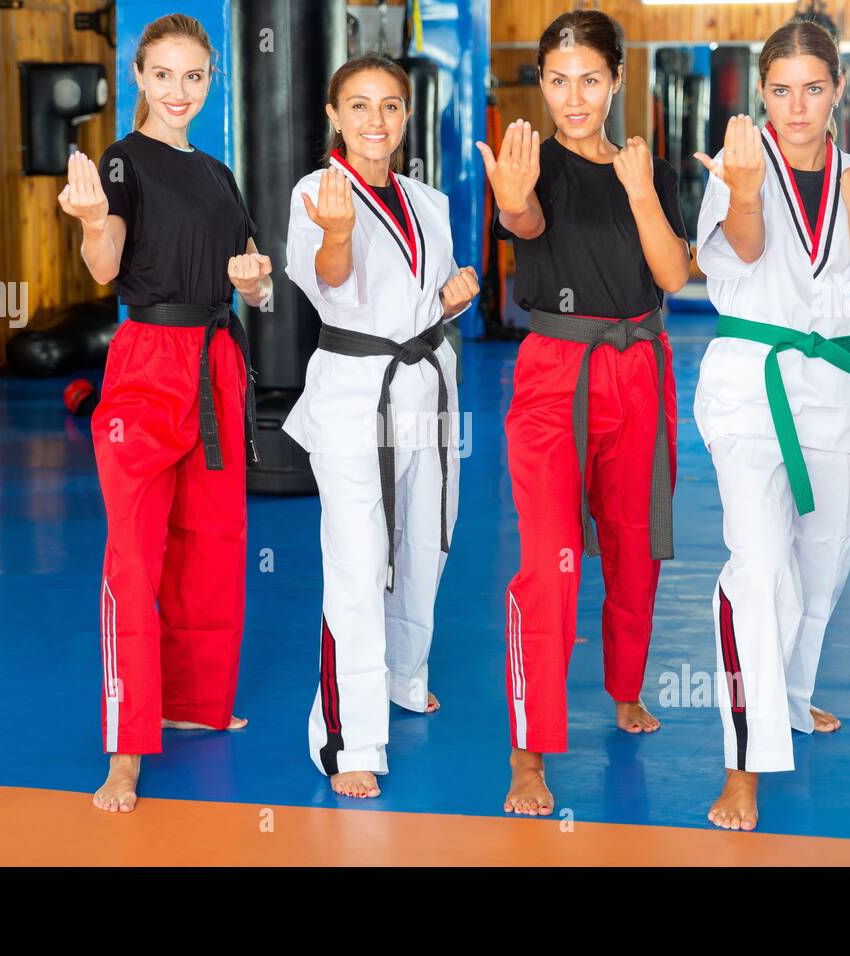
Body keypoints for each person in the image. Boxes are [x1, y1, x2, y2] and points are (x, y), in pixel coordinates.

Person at [691, 17, 850, 830]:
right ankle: (744, 763)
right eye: (781, 90)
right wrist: (746, 191)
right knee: (760, 570)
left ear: (838, 91)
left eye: (813, 88)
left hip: (839, 396)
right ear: (760, 93)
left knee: (819, 577)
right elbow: (741, 253)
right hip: (750, 391)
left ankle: (788, 696)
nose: (796, 107)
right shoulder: (738, 165)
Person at [58, 13, 273, 813]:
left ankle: (193, 701)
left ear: (211, 80)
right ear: (139, 76)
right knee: (135, 557)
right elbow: (108, 263)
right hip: (148, 361)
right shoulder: (121, 162)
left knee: (211, 544)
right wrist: (87, 223)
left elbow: (252, 281)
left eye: (194, 76)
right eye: (163, 75)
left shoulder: (219, 174)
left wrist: (255, 285)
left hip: (218, 360)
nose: (178, 91)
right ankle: (125, 747)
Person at [479, 9, 690, 816]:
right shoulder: (528, 167)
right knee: (550, 561)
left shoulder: (652, 172)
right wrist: (513, 202)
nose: (574, 98)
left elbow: (673, 276)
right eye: (558, 81)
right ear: (541, 82)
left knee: (636, 551)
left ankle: (626, 688)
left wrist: (639, 192)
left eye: (590, 80)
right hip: (552, 376)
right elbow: (523, 222)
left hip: (638, 367)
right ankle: (528, 753)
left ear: (616, 81)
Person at [284, 54, 479, 799]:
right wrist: (336, 231)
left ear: (405, 115)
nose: (375, 120)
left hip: (426, 383)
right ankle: (348, 738)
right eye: (358, 106)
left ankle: (403, 673)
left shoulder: (427, 199)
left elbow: (432, 300)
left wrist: (456, 299)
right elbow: (331, 280)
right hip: (354, 394)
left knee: (426, 538)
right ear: (334, 115)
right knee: (358, 560)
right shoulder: (316, 192)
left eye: (389, 106)